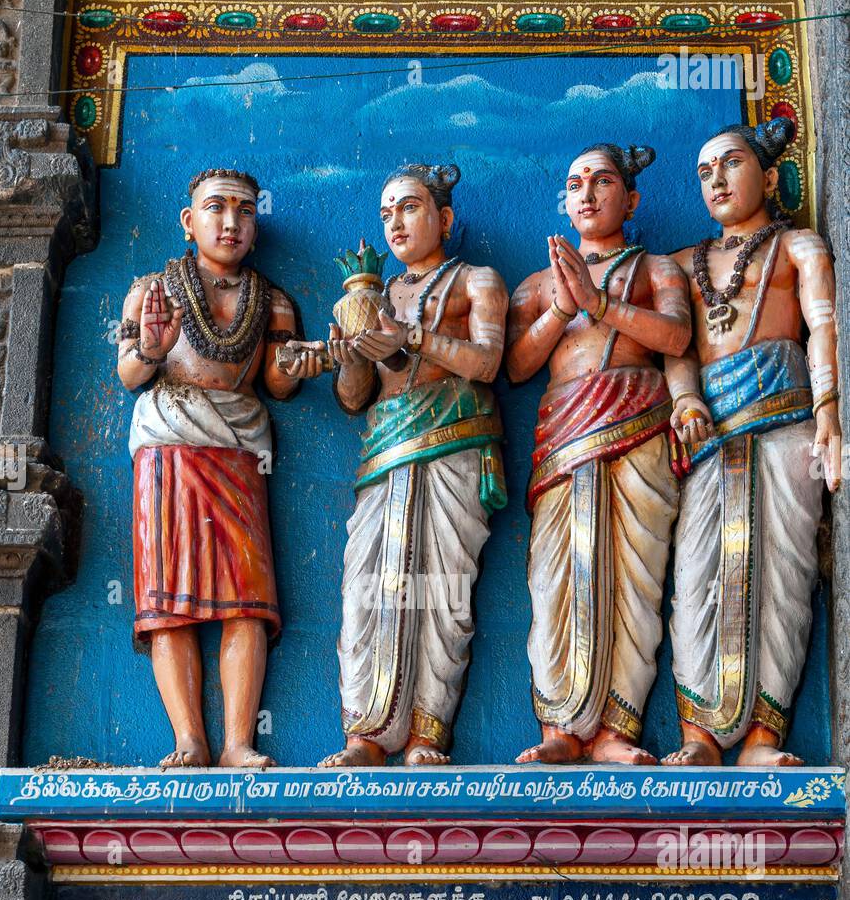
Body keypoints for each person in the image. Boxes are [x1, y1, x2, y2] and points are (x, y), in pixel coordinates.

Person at [285, 162, 508, 765]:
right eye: (386, 213)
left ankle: (427, 732)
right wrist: (344, 356)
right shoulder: (373, 299)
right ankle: (365, 734)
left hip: (452, 443)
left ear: (445, 217)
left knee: (439, 591)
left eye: (409, 207)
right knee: (367, 588)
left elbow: (488, 363)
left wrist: (413, 339)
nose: (396, 223)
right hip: (384, 451)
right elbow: (357, 398)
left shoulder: (475, 281)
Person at [663, 118, 841, 767]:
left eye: (729, 165)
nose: (715, 181)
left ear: (766, 176)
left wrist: (826, 412)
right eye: (704, 172)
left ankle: (764, 736)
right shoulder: (683, 264)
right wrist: (683, 398)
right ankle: (699, 736)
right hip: (709, 440)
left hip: (784, 424)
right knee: (697, 579)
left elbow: (822, 330)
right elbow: (676, 348)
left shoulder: (798, 249)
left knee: (782, 580)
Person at [507, 142, 691, 765]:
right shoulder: (538, 284)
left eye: (603, 181)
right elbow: (516, 364)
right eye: (575, 182)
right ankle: (559, 727)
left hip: (638, 428)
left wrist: (603, 304)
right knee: (558, 578)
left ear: (631, 199)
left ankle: (617, 731)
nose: (587, 193)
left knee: (633, 582)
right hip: (564, 434)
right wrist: (564, 306)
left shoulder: (656, 268)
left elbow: (675, 336)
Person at [118, 167, 300, 769]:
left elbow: (276, 382)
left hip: (239, 447)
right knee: (170, 601)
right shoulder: (153, 291)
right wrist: (150, 346)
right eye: (216, 208)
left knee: (246, 598)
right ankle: (189, 740)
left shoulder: (271, 301)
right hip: (168, 444)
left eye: (245, 210)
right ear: (188, 221)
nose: (231, 222)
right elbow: (129, 375)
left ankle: (237, 741)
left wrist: (301, 363)